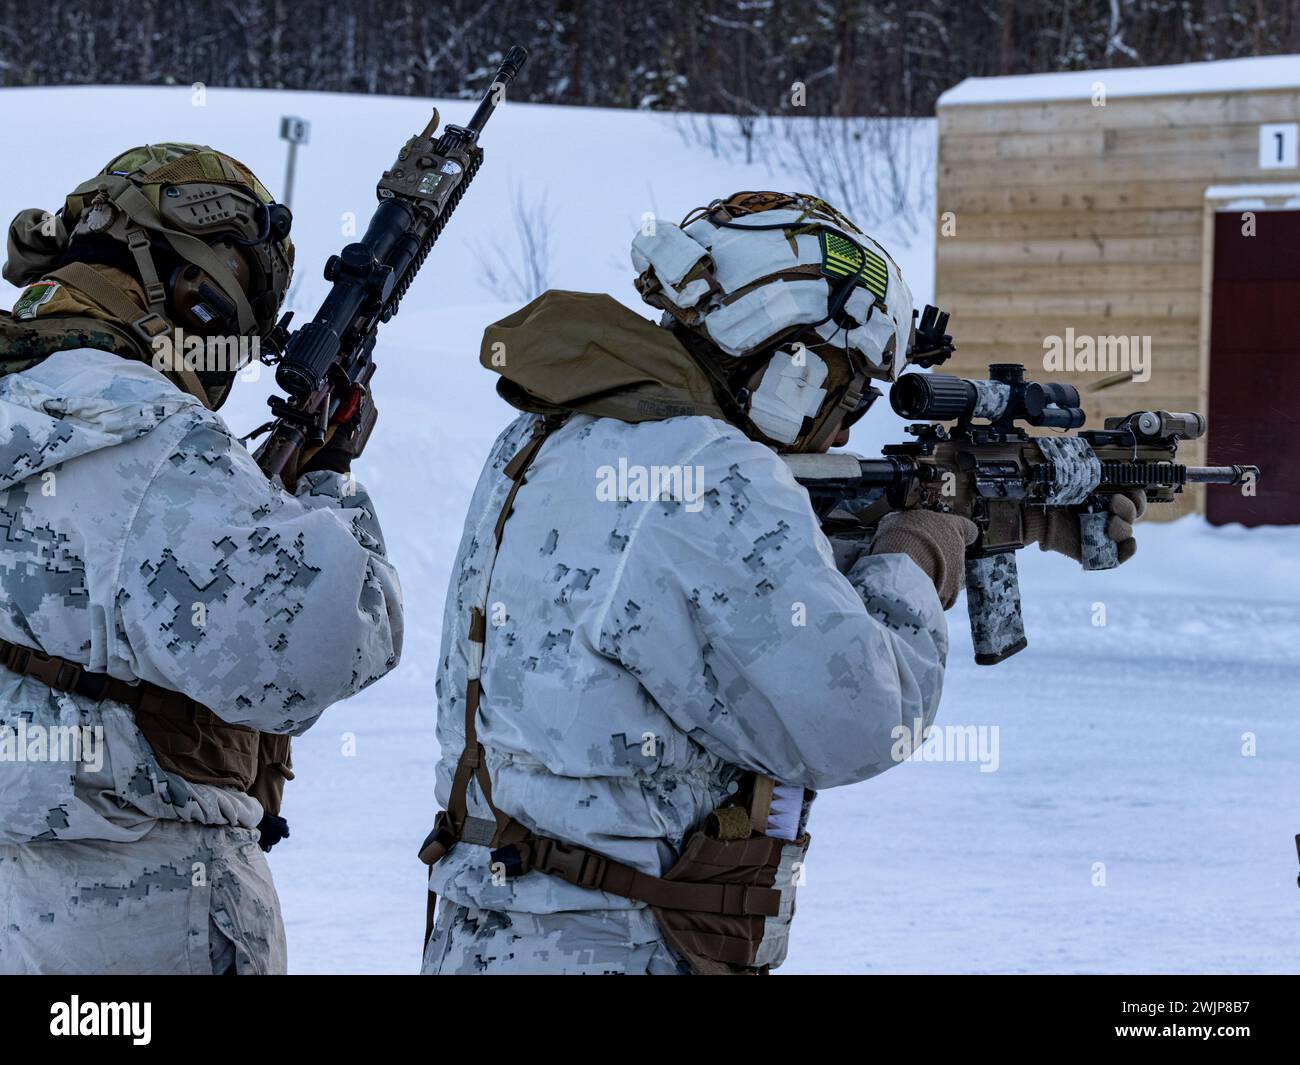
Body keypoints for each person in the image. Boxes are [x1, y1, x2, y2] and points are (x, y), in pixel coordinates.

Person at [418, 191, 1142, 974]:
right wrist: (917, 553)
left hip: (497, 929)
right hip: (619, 941)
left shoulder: (555, 429)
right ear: (790, 360)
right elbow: (860, 717)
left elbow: (698, 603)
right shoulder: (708, 472)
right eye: (849, 389)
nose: (844, 428)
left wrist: (1004, 519)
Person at [0, 143, 403, 974]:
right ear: (194, 291)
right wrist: (330, 481)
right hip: (139, 920)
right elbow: (317, 650)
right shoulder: (159, 441)